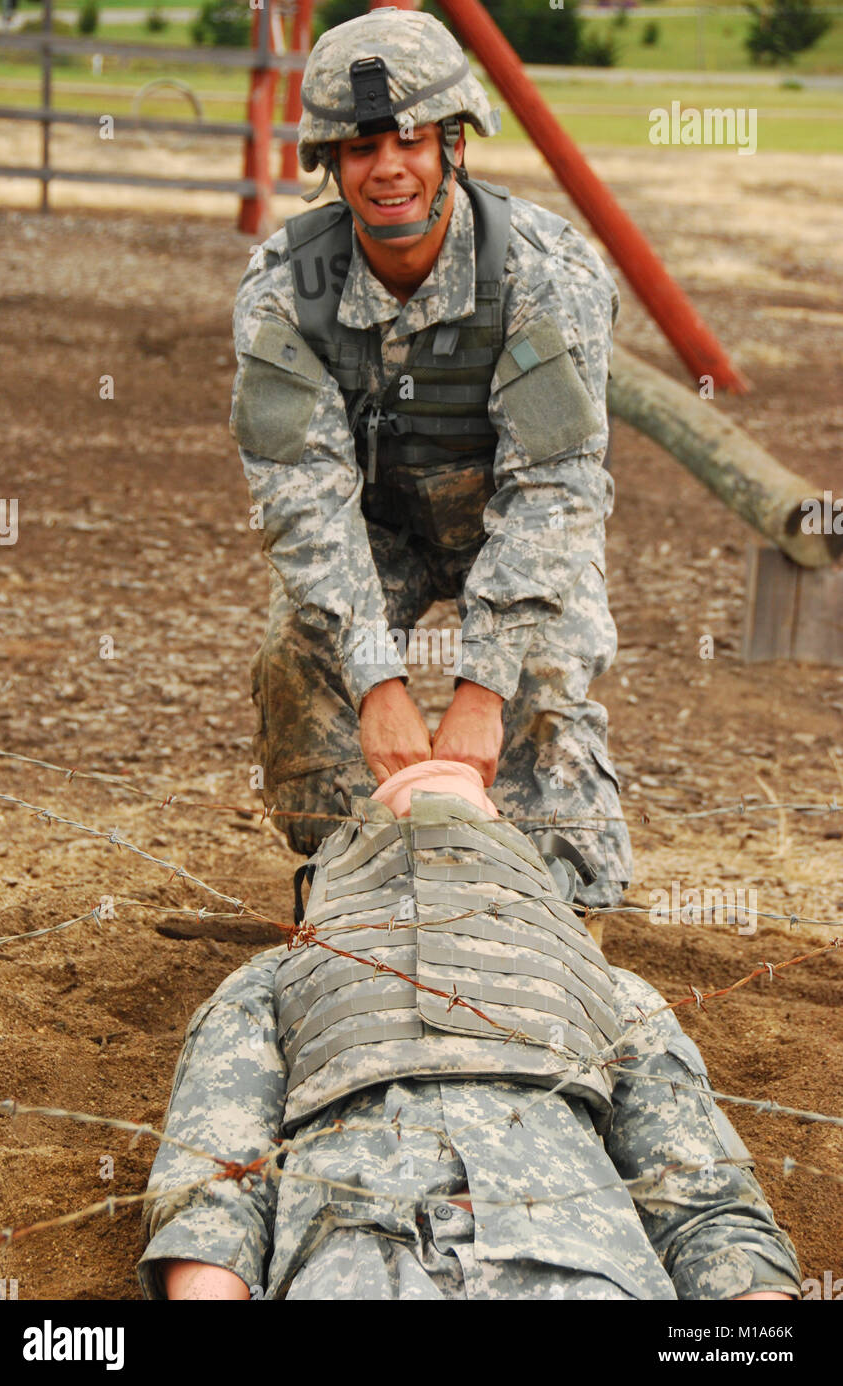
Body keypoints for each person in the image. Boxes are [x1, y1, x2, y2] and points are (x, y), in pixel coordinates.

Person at [230, 6, 632, 913]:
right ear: (328, 163)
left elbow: (555, 487)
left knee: (544, 688)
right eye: (360, 147)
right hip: (378, 528)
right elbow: (303, 503)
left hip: (513, 526)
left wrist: (483, 685)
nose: (388, 169)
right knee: (299, 659)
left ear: (454, 142)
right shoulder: (285, 291)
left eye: (410, 138)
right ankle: (361, 878)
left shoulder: (545, 273)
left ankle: (555, 895)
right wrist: (376, 678)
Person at [137, 763, 801, 1301]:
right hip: (403, 1257)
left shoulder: (609, 988)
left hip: (522, 1260)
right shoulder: (277, 978)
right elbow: (213, 1186)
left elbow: (707, 1208)